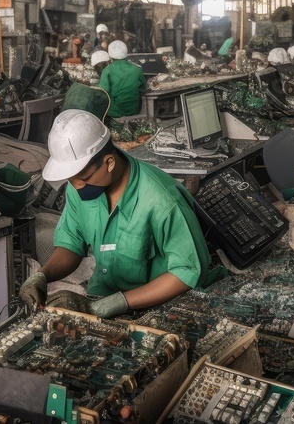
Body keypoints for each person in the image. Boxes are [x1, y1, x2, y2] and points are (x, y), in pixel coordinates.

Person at [18, 109, 217, 318]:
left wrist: (120, 302)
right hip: (101, 299)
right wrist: (42, 276)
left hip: (159, 307)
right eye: (71, 179)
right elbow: (71, 244)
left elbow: (186, 272)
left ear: (109, 162)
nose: (77, 187)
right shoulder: (79, 187)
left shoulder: (160, 200)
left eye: (83, 178)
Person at [98, 40, 147, 118]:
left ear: (110, 54)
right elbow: (143, 88)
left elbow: (103, 92)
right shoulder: (137, 69)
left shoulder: (107, 70)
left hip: (115, 111)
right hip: (134, 109)